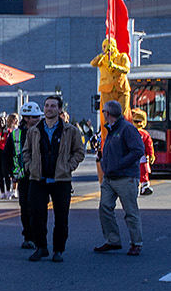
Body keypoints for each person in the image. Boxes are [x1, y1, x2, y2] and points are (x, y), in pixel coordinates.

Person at [22, 96, 83, 262]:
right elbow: (26, 151)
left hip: (61, 180)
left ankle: (58, 250)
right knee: (35, 214)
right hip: (38, 178)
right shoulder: (34, 130)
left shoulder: (70, 130)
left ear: (59, 109)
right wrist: (29, 166)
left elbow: (79, 151)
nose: (49, 109)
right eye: (47, 106)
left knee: (61, 217)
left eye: (53, 106)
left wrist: (68, 166)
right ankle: (41, 247)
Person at [95, 100, 144, 255]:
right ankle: (113, 240)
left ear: (107, 114)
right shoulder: (112, 129)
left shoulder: (127, 129)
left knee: (130, 211)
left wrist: (121, 164)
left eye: (103, 112)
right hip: (110, 177)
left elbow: (138, 150)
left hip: (125, 176)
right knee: (105, 207)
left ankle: (136, 242)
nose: (103, 115)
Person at [12, 104, 42, 250]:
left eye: (38, 116)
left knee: (38, 208)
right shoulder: (16, 134)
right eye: (34, 117)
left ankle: (39, 236)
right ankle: (28, 237)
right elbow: (9, 155)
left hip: (40, 176)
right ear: (26, 118)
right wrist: (12, 173)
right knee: (25, 208)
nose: (37, 119)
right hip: (24, 177)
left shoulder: (43, 132)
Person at [129, 108, 155, 196]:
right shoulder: (129, 132)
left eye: (139, 121)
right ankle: (134, 187)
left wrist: (150, 154)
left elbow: (149, 145)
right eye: (136, 121)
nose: (138, 124)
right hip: (131, 157)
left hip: (141, 156)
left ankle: (145, 186)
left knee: (143, 171)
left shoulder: (144, 134)